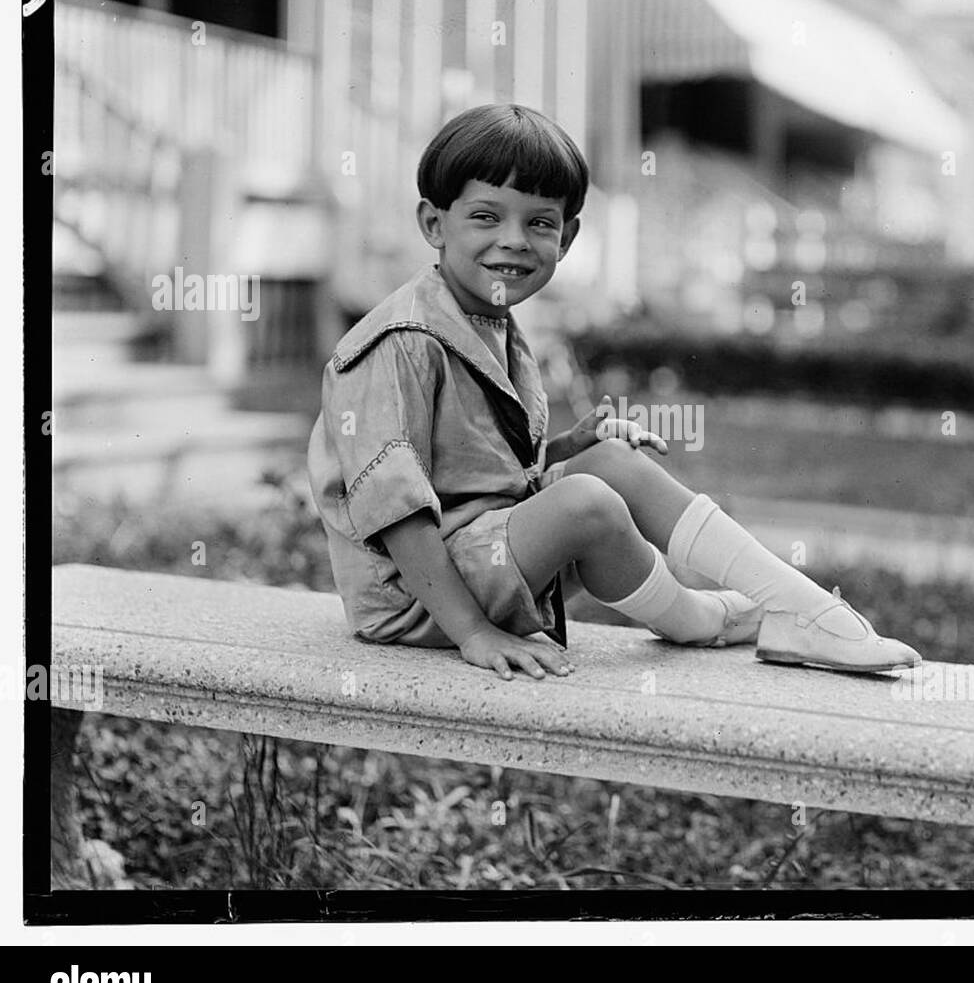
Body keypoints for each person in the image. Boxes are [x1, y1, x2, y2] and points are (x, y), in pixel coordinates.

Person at [307, 103, 922, 681]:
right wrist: (473, 635)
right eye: (486, 216)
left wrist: (572, 445)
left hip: (479, 554)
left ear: (567, 239)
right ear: (433, 224)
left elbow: (480, 474)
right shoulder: (401, 340)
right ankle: (707, 620)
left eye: (540, 222)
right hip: (417, 599)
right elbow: (398, 513)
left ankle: (800, 609)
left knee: (609, 463)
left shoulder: (487, 321)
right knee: (586, 505)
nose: (515, 239)